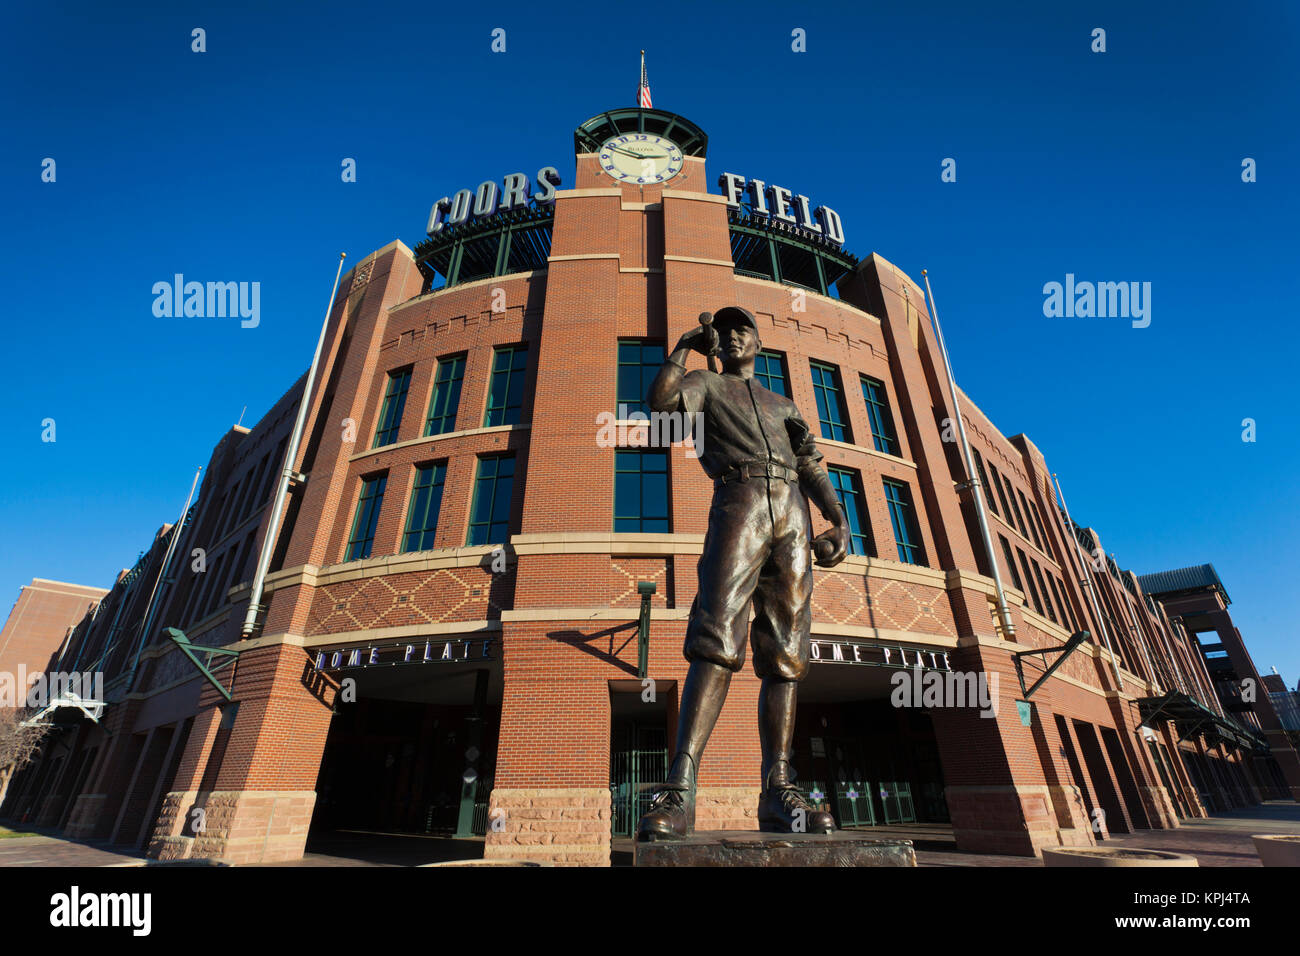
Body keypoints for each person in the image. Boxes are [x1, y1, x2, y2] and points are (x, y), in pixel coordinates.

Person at [637, 306, 848, 840]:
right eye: (723, 332)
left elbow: (811, 462)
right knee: (716, 636)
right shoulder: (704, 383)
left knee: (786, 652)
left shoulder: (784, 403)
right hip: (740, 499)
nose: (731, 337)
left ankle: (779, 788)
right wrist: (684, 345)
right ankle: (680, 790)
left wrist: (839, 518)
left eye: (742, 330)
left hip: (793, 513)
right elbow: (660, 404)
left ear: (758, 342)